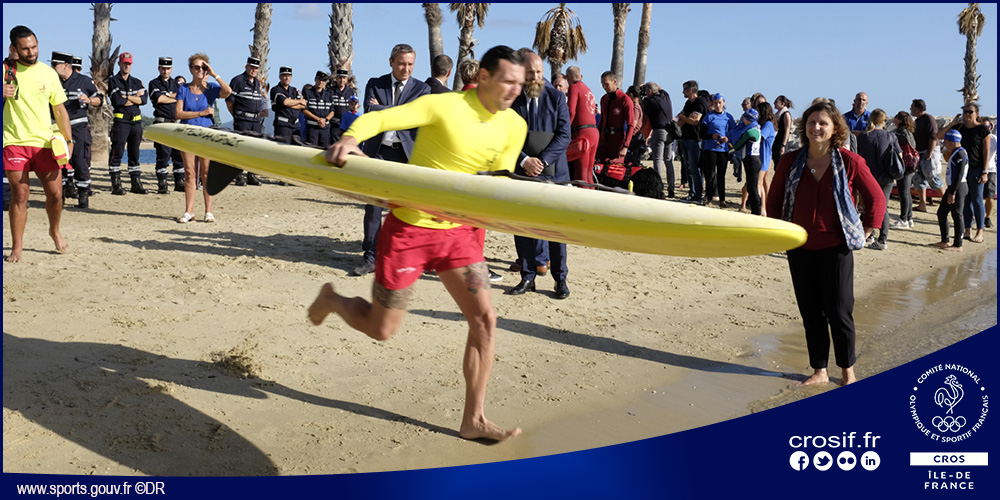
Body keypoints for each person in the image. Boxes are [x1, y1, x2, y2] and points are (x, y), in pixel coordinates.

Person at [311, 45, 527, 442]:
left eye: (521, 83)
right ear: (483, 77)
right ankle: (333, 299)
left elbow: (497, 183)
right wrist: (350, 138)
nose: (516, 89)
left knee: (485, 319)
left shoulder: (515, 126)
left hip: (461, 234)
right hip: (410, 229)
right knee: (382, 329)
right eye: (508, 81)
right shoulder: (443, 106)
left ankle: (473, 419)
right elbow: (383, 116)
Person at [765, 100, 885, 386]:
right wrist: (777, 230)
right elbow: (775, 199)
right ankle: (819, 371)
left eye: (823, 123)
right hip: (799, 245)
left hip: (836, 246)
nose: (816, 127)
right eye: (811, 122)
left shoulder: (849, 161)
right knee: (811, 311)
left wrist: (868, 229)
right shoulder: (789, 161)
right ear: (803, 126)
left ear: (834, 130)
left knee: (840, 310)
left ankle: (847, 372)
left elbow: (876, 198)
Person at [353, 43, 431, 277]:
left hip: (406, 155)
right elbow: (369, 109)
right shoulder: (375, 83)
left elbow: (415, 117)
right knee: (374, 206)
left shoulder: (423, 89)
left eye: (410, 64)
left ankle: (401, 255)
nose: (406, 69)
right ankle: (371, 256)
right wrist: (400, 111)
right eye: (401, 64)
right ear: (391, 62)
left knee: (408, 208)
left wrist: (384, 110)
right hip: (378, 152)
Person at [3, 25, 73, 262]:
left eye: (34, 46)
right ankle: (17, 247)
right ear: (14, 49)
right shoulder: (5, 71)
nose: (31, 52)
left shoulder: (48, 73)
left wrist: (69, 140)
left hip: (45, 142)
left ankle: (54, 230)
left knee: (55, 195)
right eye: (25, 48)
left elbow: (59, 109)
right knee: (20, 194)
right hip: (13, 141)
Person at [508, 51, 572, 299]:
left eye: (539, 72)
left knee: (555, 229)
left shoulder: (556, 97)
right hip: (522, 172)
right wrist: (524, 160)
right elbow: (505, 136)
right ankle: (528, 276)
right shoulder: (512, 99)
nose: (536, 77)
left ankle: (560, 279)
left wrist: (542, 161)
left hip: (554, 173)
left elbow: (564, 135)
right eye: (531, 73)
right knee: (522, 226)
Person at [174, 53, 231, 223]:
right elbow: (178, 113)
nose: (200, 70)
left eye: (203, 67)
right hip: (187, 134)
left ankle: (208, 211)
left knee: (206, 173)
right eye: (197, 67)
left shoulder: (211, 88)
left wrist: (214, 73)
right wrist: (202, 113)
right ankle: (189, 211)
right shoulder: (183, 89)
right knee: (190, 173)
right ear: (190, 69)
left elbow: (227, 92)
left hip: (206, 134)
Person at [52, 51, 102, 209]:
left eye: (55, 65)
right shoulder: (53, 81)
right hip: (57, 129)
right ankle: (61, 195)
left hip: (78, 128)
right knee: (59, 163)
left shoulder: (84, 81)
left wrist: (89, 100)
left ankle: (83, 196)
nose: (52, 68)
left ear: (65, 65)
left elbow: (99, 98)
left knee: (80, 162)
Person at [937, 103, 991, 243]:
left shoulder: (982, 130)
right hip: (961, 169)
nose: (967, 114)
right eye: (965, 111)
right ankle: (967, 230)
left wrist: (985, 171)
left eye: (970, 112)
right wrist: (952, 124)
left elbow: (986, 152)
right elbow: (938, 136)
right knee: (965, 201)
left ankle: (980, 231)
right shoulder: (958, 127)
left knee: (977, 199)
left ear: (976, 114)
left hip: (977, 168)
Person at [856, 109, 901, 250]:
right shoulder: (890, 136)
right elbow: (899, 154)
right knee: (883, 207)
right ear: (883, 121)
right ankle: (883, 239)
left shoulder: (863, 137)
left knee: (867, 206)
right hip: (886, 176)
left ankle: (870, 234)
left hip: (868, 176)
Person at [107, 51, 147, 195]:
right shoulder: (113, 81)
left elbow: (144, 100)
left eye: (129, 64)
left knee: (134, 154)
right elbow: (117, 101)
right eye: (124, 63)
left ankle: (135, 183)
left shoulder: (137, 81)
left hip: (136, 124)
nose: (126, 66)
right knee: (117, 152)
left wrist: (126, 96)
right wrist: (134, 97)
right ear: (119, 63)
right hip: (121, 122)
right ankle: (116, 184)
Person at [226, 56, 269, 186]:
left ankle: (252, 175)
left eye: (256, 68)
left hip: (255, 121)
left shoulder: (257, 83)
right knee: (240, 148)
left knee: (254, 149)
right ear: (246, 67)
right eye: (251, 67)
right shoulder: (237, 80)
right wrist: (237, 116)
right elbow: (229, 102)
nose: (253, 70)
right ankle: (238, 176)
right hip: (242, 120)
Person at [148, 56, 185, 194]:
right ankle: (162, 184)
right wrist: (173, 97)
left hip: (177, 124)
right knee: (163, 156)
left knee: (178, 156)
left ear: (171, 69)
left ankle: (179, 182)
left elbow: (183, 98)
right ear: (159, 68)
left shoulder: (176, 84)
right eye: (163, 68)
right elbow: (158, 98)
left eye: (168, 68)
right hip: (162, 123)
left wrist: (168, 96)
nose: (165, 71)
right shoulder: (153, 83)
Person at [930, 130, 969, 252]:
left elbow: (959, 174)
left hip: (958, 187)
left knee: (957, 215)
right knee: (941, 212)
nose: (944, 144)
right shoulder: (955, 152)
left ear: (952, 141)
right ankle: (945, 241)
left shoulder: (960, 154)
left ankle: (958, 244)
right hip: (952, 187)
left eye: (946, 141)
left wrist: (953, 192)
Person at [700, 93, 736, 208]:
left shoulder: (728, 117)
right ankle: (709, 199)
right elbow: (702, 133)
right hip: (710, 149)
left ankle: (722, 200)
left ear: (723, 103)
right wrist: (712, 136)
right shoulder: (709, 117)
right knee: (710, 175)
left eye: (720, 103)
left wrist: (728, 138)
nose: (717, 105)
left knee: (721, 175)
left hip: (723, 150)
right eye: (715, 103)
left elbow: (733, 132)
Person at [565, 65, 599, 187]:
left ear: (568, 78)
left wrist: (566, 127)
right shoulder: (587, 89)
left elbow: (571, 111)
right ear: (581, 76)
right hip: (594, 132)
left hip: (582, 133)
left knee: (581, 173)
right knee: (589, 172)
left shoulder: (574, 87)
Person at [910, 98, 944, 213]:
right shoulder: (918, 120)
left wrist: (929, 153)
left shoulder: (929, 119)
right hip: (920, 153)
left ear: (918, 108)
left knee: (933, 177)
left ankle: (946, 202)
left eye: (912, 107)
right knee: (918, 179)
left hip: (929, 152)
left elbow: (934, 137)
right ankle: (922, 204)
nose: (910, 109)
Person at [641, 82, 675, 197]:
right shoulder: (666, 96)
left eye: (646, 91)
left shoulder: (651, 102)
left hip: (659, 131)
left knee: (657, 160)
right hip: (670, 132)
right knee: (668, 160)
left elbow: (645, 116)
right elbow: (659, 87)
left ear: (650, 91)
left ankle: (658, 187)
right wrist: (648, 85)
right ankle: (671, 188)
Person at [677, 80, 707, 202]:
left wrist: (683, 118)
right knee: (688, 168)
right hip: (684, 138)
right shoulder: (688, 103)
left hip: (694, 139)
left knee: (695, 168)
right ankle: (692, 193)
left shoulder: (700, 102)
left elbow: (695, 120)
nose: (683, 91)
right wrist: (685, 119)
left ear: (690, 90)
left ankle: (698, 195)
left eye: (684, 89)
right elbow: (680, 122)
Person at [595, 71, 634, 162]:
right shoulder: (604, 99)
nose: (604, 87)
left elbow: (631, 125)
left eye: (606, 84)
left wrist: (625, 146)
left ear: (614, 82)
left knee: (615, 171)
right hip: (604, 141)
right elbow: (601, 122)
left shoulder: (625, 100)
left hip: (618, 140)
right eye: (602, 84)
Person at [730, 108, 762, 214]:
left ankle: (757, 211)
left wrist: (731, 146)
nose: (743, 118)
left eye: (745, 116)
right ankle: (755, 210)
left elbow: (738, 145)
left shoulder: (750, 131)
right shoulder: (756, 127)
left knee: (753, 188)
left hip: (752, 159)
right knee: (751, 187)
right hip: (751, 159)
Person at [891, 110, 918, 229]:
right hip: (911, 165)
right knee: (906, 192)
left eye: (896, 117)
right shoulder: (908, 132)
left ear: (900, 120)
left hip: (905, 165)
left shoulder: (900, 133)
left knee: (903, 192)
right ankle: (909, 217)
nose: (894, 118)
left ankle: (903, 219)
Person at [269, 66, 307, 143]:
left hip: (295, 126)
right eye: (284, 75)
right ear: (280, 76)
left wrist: (290, 103)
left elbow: (303, 104)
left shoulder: (295, 90)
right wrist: (297, 101)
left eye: (289, 76)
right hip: (283, 125)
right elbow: (285, 102)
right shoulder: (275, 89)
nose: (287, 78)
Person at [303, 71, 334, 148]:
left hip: (325, 129)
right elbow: (304, 110)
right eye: (319, 79)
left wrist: (326, 120)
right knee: (311, 151)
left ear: (325, 82)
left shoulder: (329, 94)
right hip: (312, 128)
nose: (320, 82)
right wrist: (318, 119)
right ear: (315, 79)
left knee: (324, 153)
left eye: (323, 80)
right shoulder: (308, 93)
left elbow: (332, 111)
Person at [328, 68, 355, 143]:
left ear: (346, 79)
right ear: (336, 78)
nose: (342, 80)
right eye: (340, 78)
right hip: (335, 124)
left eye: (344, 78)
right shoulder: (330, 91)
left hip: (346, 125)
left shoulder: (351, 92)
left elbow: (353, 107)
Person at [773, 95, 794, 165]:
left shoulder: (786, 114)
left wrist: (783, 145)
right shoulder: (777, 115)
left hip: (781, 141)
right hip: (777, 140)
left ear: (783, 103)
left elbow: (787, 131)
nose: (774, 103)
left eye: (776, 102)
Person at [984, 118, 997, 228]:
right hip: (976, 169)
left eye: (987, 127)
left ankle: (987, 217)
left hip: (990, 170)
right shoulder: (976, 137)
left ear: (990, 127)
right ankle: (974, 217)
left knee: (990, 196)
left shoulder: (994, 139)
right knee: (975, 196)